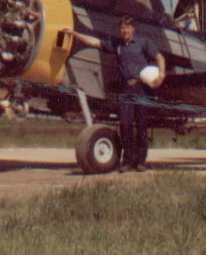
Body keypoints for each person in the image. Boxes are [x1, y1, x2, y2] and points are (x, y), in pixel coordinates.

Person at [61, 16, 166, 172]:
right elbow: (95, 42)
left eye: (128, 28)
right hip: (125, 89)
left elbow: (159, 57)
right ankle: (128, 161)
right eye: (122, 28)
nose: (125, 31)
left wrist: (161, 75)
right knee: (125, 124)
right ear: (120, 30)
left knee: (142, 125)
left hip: (141, 88)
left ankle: (141, 162)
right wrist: (74, 34)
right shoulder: (116, 44)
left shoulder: (143, 42)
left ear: (133, 29)